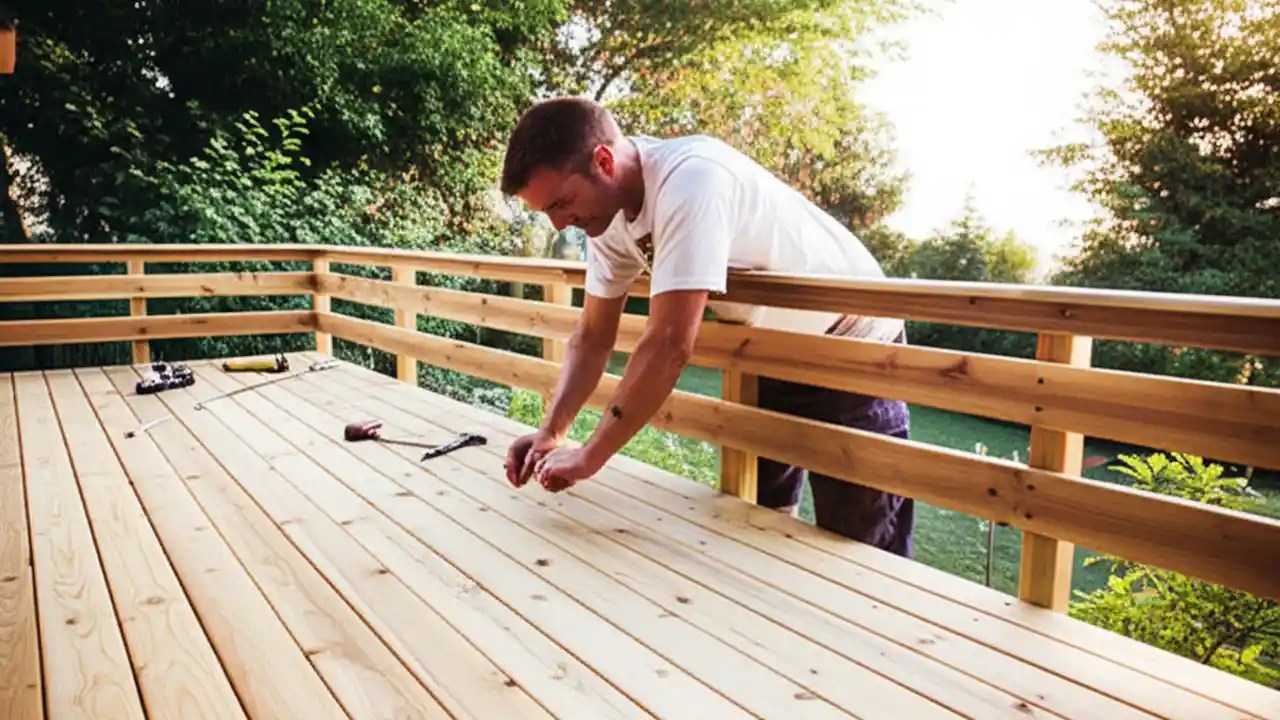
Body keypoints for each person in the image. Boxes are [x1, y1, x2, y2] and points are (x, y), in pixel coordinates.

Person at [499, 97, 914, 557]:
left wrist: (590, 456)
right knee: (759, 533)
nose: (561, 224)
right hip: (769, 355)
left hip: (853, 346)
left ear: (603, 161)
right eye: (547, 213)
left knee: (861, 552)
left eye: (562, 203)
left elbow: (670, 344)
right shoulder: (606, 217)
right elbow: (593, 336)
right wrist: (552, 433)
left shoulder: (692, 180)